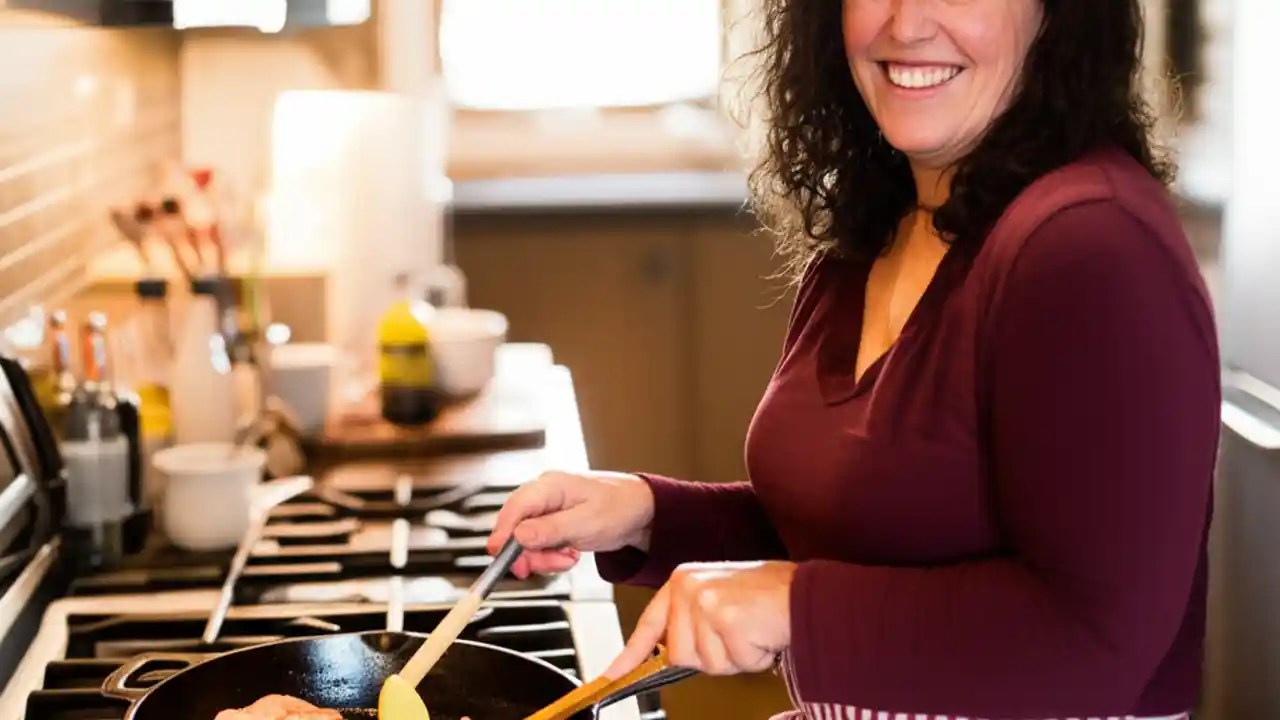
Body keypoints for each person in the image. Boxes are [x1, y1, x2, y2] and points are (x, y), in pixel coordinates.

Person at [486, 1, 1220, 718]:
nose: (907, 23)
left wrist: (790, 607)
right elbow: (868, 531)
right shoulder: (881, 227)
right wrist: (648, 516)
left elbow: (1093, 645)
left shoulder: (1090, 246)